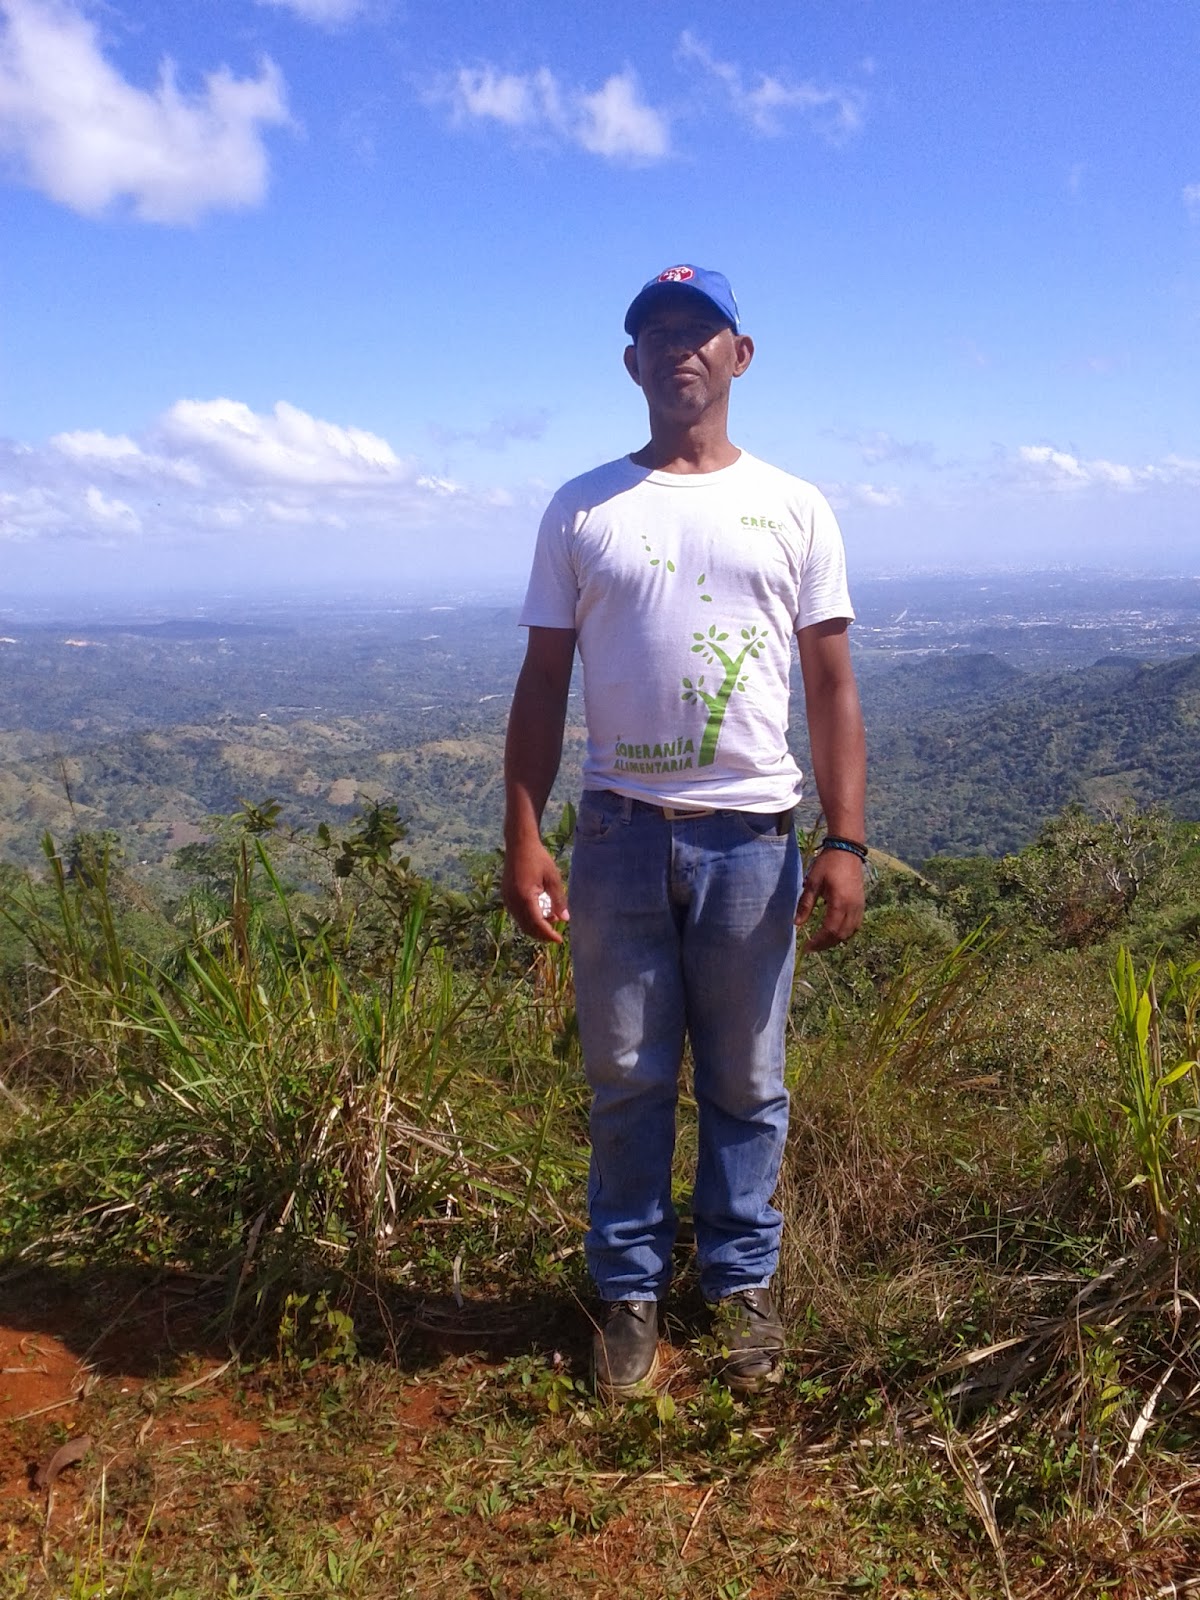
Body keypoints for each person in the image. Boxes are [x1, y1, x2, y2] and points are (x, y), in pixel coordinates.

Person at [501, 264, 867, 1399]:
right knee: (625, 1077)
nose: (680, 351)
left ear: (740, 355)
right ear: (632, 363)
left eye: (700, 332)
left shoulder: (795, 506)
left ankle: (740, 1285)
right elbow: (542, 681)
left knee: (750, 1080)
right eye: (658, 334)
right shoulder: (584, 506)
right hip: (616, 834)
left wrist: (844, 840)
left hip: (754, 839)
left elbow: (833, 686)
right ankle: (626, 1297)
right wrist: (523, 833)